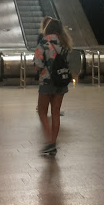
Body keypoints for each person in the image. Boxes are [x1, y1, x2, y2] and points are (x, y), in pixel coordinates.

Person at [34, 18, 72, 156]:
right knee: (56, 112)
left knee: (42, 112)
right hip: (61, 81)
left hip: (46, 82)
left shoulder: (44, 42)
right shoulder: (65, 44)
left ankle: (50, 142)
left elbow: (38, 65)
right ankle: (53, 143)